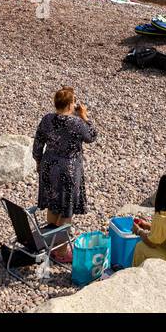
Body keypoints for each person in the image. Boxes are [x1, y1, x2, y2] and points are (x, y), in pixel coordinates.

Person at [32, 86, 97, 259]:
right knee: (66, 208)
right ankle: (60, 251)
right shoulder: (75, 123)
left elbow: (38, 143)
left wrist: (38, 161)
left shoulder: (47, 119)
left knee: (53, 203)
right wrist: (85, 116)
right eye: (74, 101)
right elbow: (91, 136)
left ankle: (49, 243)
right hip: (68, 169)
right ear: (70, 105)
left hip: (48, 165)